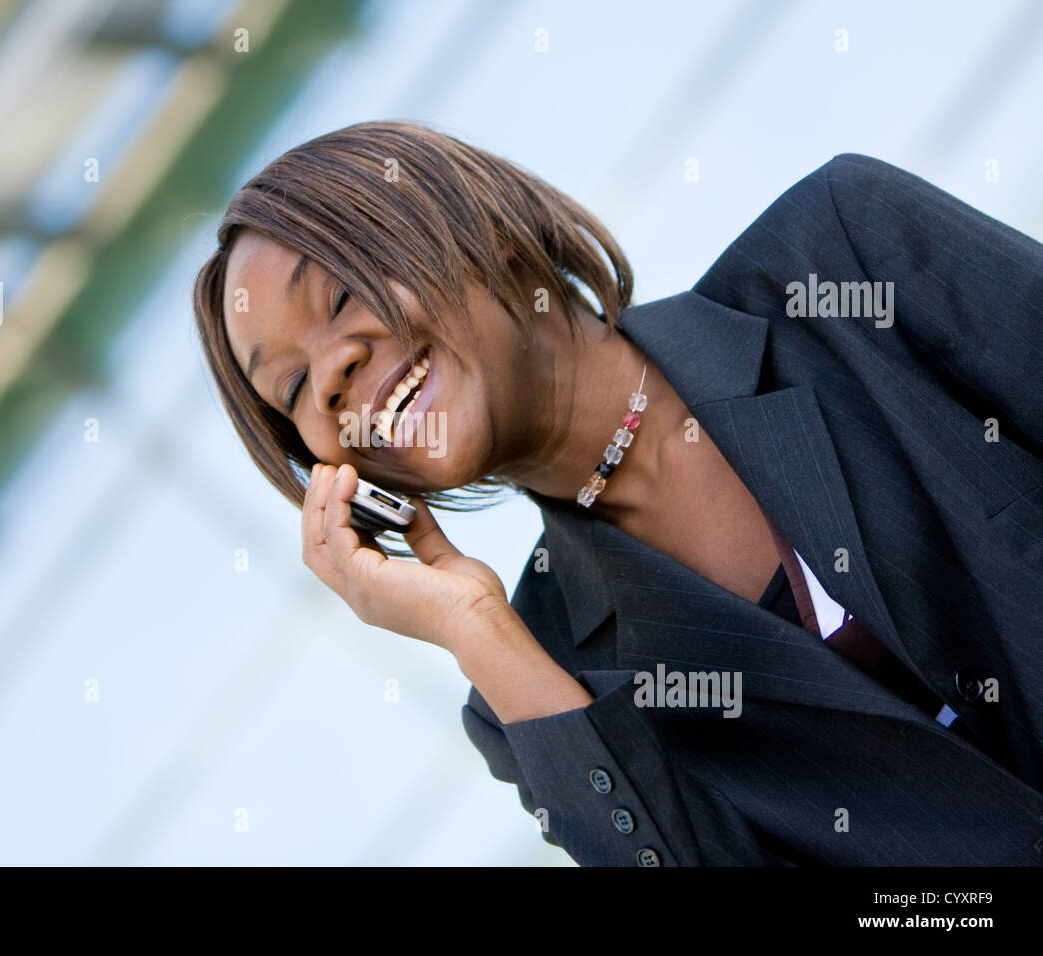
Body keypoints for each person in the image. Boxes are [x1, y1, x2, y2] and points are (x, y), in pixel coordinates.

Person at [191, 120, 1043, 865]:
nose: (333, 371)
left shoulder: (839, 253)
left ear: (475, 227)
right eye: (296, 389)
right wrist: (480, 632)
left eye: (341, 294)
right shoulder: (537, 688)